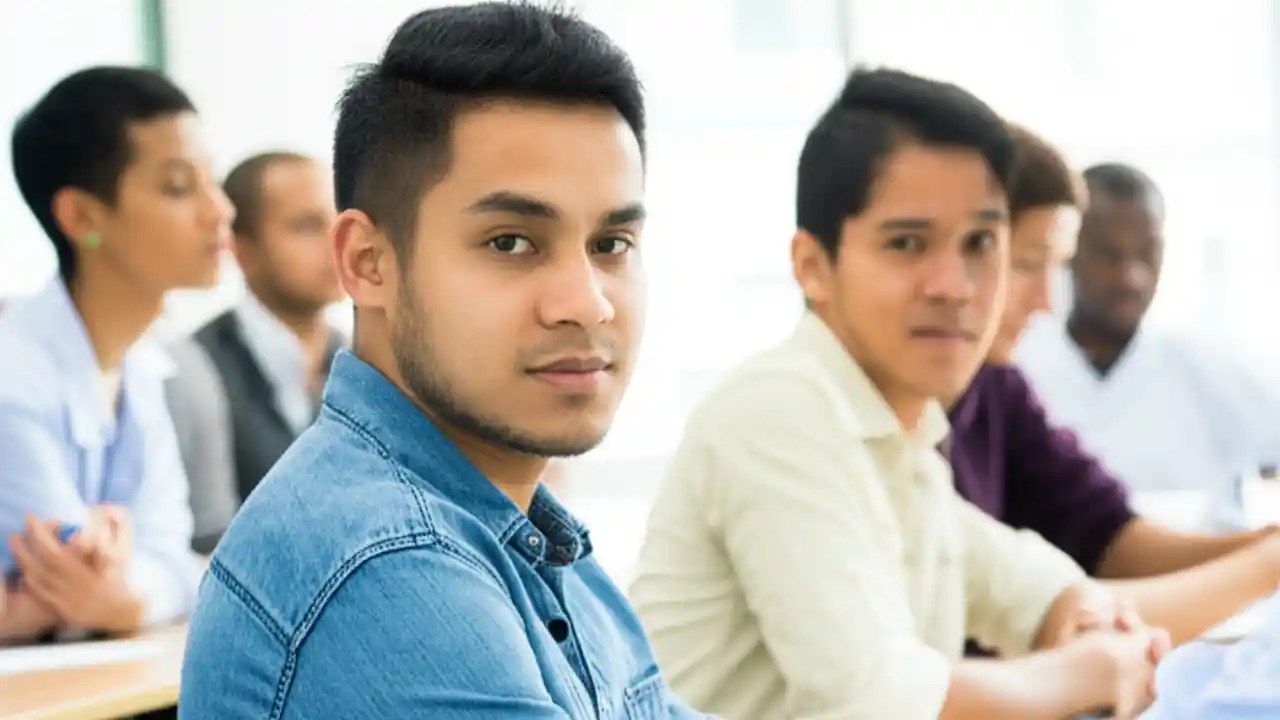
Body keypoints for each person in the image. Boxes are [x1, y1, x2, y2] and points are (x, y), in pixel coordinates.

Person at [181, 4, 705, 718]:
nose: (586, 304)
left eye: (611, 244)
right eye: (510, 242)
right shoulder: (387, 565)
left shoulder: (524, 538)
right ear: (368, 263)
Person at [630, 68, 1167, 720]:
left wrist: (1083, 615)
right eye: (907, 243)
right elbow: (874, 701)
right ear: (812, 267)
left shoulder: (901, 439)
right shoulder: (780, 410)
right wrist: (1083, 673)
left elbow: (1023, 582)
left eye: (981, 243)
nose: (954, 285)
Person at [949, 126, 1280, 648]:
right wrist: (1263, 565)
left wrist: (1263, 551)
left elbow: (1105, 534)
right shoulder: (897, 420)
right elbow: (1051, 608)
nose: (1045, 303)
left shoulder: (996, 389)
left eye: (1147, 254)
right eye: (1028, 265)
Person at [0, 67, 232, 642]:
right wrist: (119, 594)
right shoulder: (13, 377)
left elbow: (173, 565)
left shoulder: (143, 366)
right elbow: (69, 577)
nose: (220, 210)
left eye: (214, 182)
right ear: (81, 218)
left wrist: (126, 601)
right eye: (179, 188)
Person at [1016, 163, 1280, 500]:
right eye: (1108, 255)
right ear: (1069, 251)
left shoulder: (1205, 365)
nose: (1131, 277)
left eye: (1148, 252)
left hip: (1207, 550)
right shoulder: (1021, 365)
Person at [186, 152, 345, 506]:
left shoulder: (365, 362)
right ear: (241, 250)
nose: (336, 243)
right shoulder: (195, 366)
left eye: (338, 221)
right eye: (306, 226)